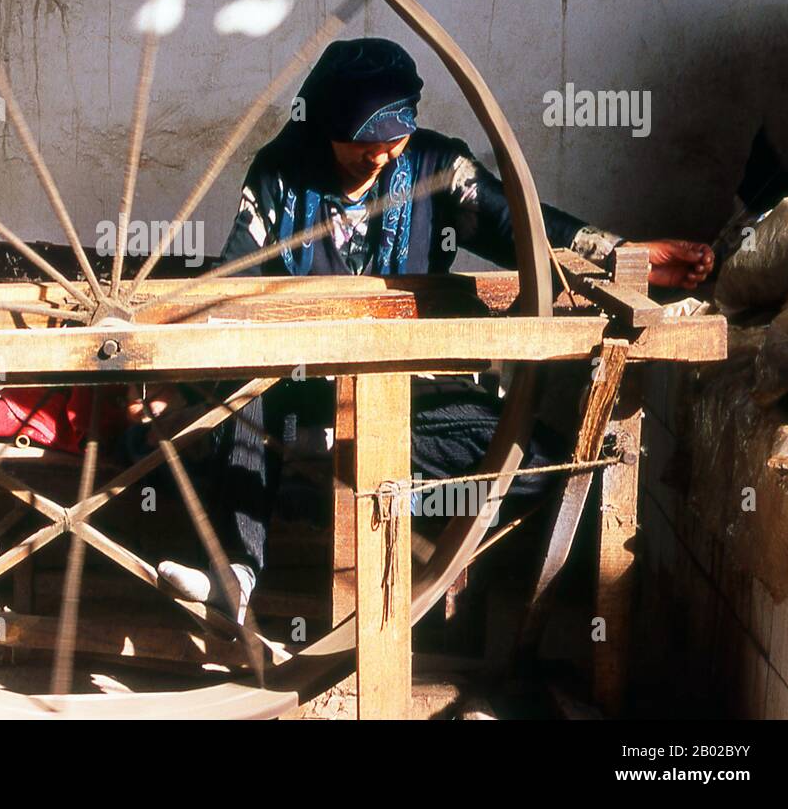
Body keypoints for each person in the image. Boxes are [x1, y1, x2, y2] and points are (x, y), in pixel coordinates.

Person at [143, 37, 713, 623]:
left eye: (395, 140)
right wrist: (174, 372)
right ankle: (236, 573)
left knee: (538, 461)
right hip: (294, 391)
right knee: (244, 396)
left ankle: (340, 461)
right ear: (326, 125)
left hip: (407, 395)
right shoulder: (281, 175)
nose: (381, 156)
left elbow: (525, 229)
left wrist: (625, 253)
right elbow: (231, 281)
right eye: (362, 142)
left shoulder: (438, 169)